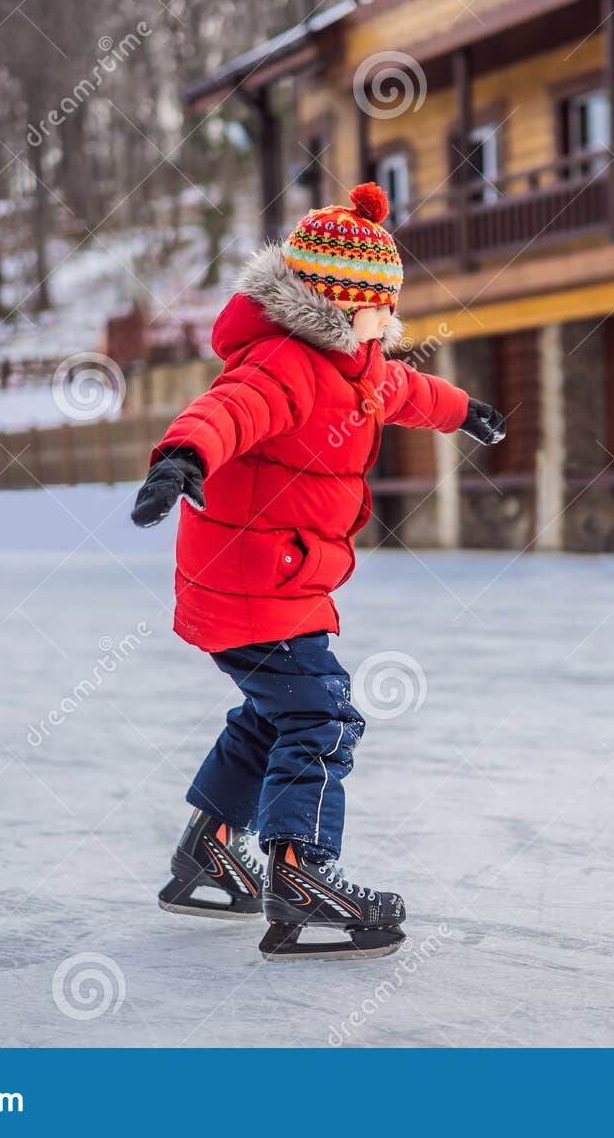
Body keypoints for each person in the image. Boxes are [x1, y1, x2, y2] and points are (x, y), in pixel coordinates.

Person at [131, 183, 507, 959]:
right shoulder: (285, 364)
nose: (388, 319)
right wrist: (181, 456)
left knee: (275, 714)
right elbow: (228, 409)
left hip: (269, 581)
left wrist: (464, 409)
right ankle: (302, 876)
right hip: (255, 584)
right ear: (336, 303)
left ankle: (207, 851)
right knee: (322, 714)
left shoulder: (356, 367)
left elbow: (406, 391)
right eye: (380, 304)